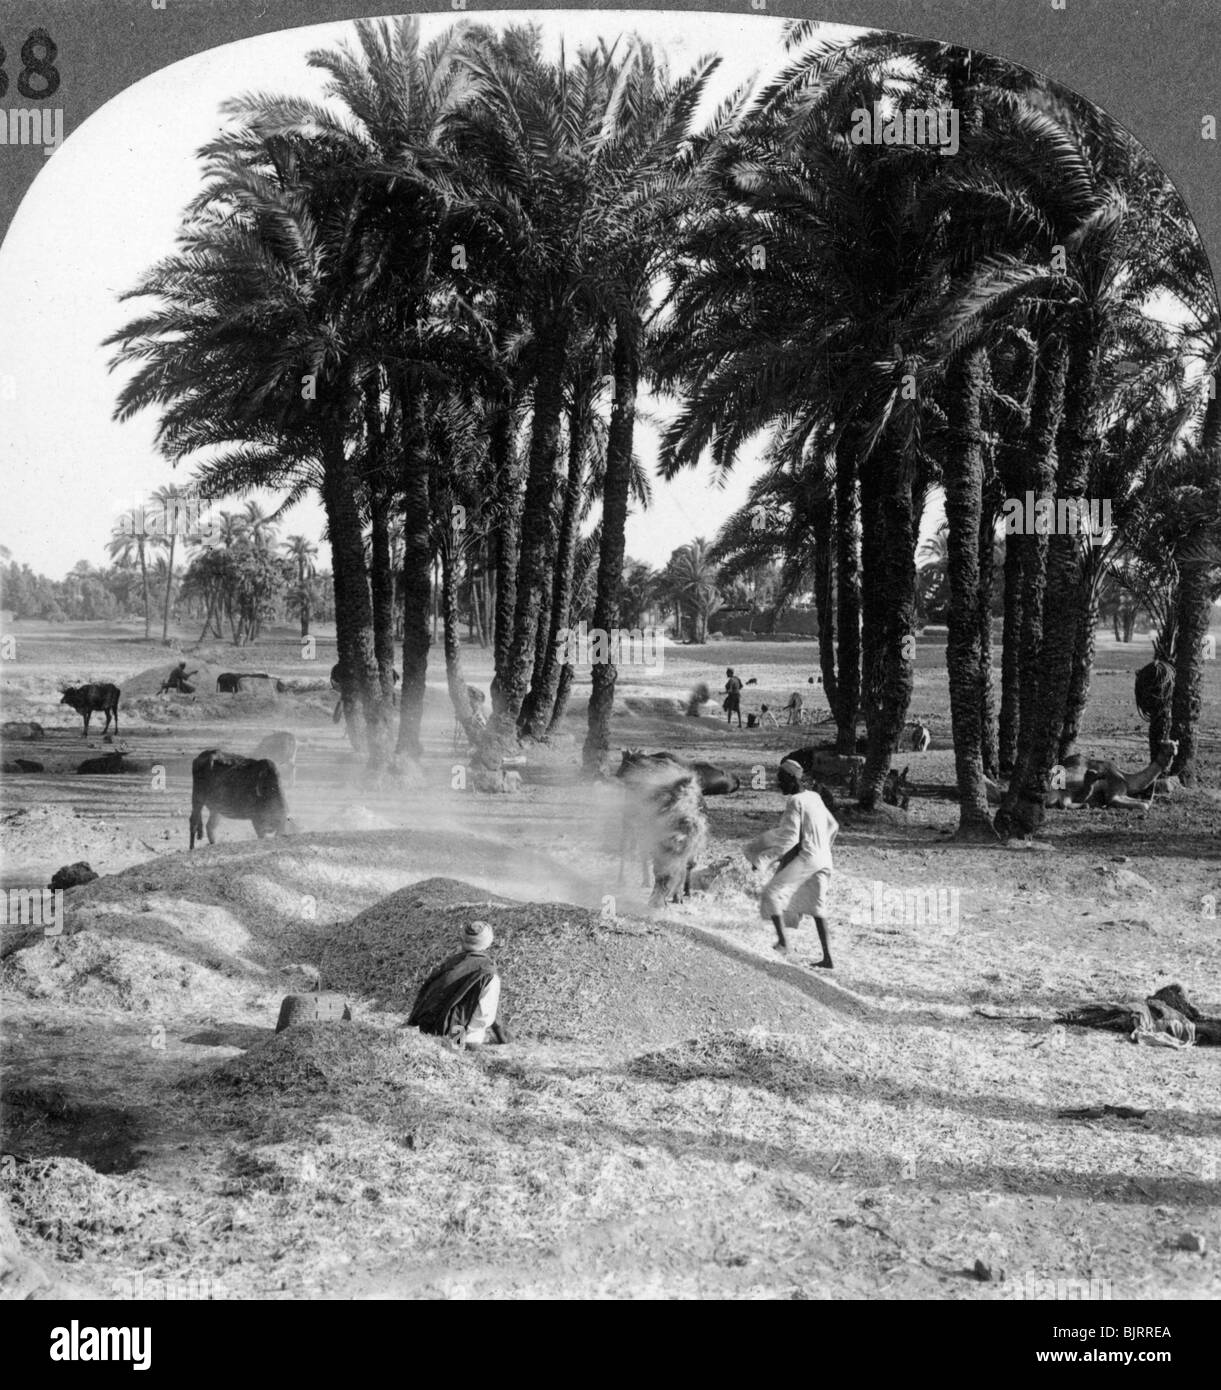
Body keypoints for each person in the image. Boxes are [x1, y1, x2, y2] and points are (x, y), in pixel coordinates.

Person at [743, 759, 839, 967]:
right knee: (817, 908)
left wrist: (762, 860)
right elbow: (834, 825)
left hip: (808, 858)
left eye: (781, 779)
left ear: (790, 779)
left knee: (771, 893)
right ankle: (828, 958)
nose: (779, 784)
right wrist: (824, 847)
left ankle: (783, 942)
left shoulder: (794, 801)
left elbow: (789, 840)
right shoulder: (814, 796)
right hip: (824, 859)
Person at [407, 920, 509, 1048]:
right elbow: (484, 1014)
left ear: (463, 941)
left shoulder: (451, 963)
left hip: (429, 1028)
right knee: (457, 1054)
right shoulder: (488, 973)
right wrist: (466, 1041)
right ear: (488, 942)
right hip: (458, 1033)